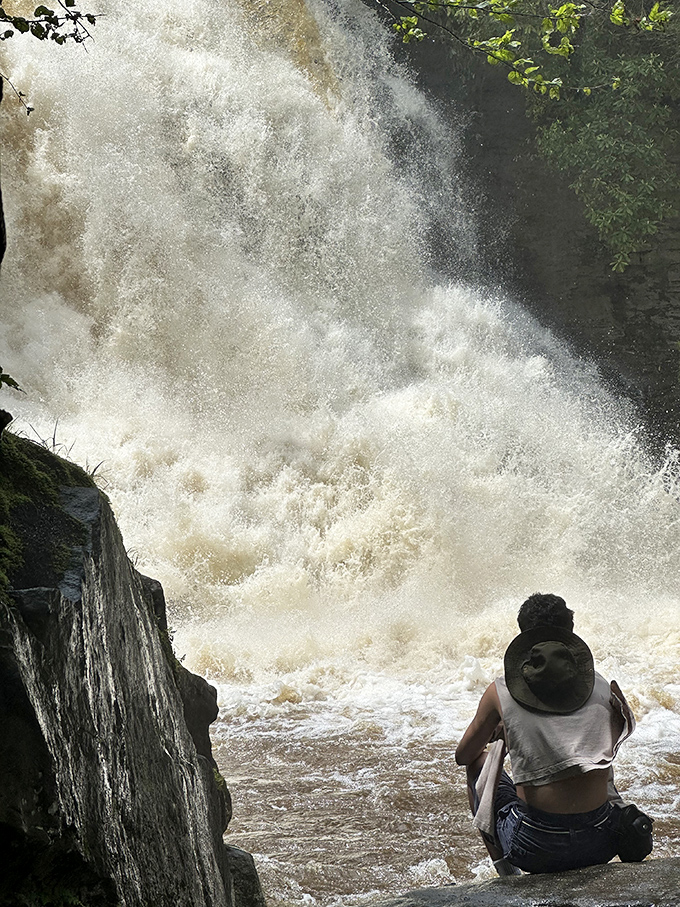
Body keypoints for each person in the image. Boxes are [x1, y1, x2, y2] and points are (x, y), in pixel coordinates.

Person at [455, 593, 640, 875]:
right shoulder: (602, 686)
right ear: (570, 634)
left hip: (534, 846)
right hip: (601, 841)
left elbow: (463, 755)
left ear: (524, 640)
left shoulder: (500, 692)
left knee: (477, 764)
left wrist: (507, 736)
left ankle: (507, 877)